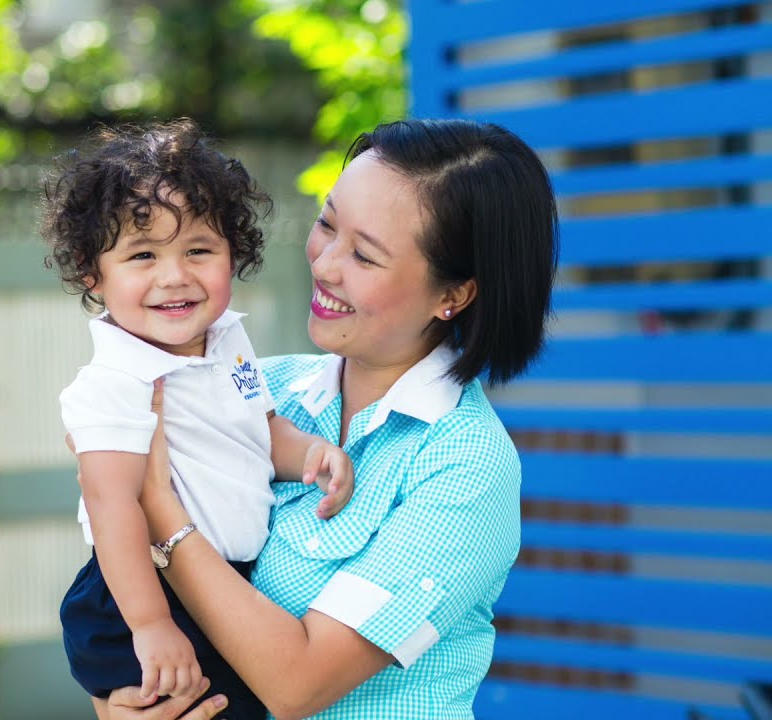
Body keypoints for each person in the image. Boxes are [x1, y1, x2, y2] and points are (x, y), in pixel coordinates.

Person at [103, 118, 559, 719]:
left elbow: (299, 685)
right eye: (326, 224)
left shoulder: (465, 465)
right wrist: (117, 706)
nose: (324, 264)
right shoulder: (266, 390)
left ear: (455, 294)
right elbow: (110, 573)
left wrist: (159, 506)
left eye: (365, 256)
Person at [42, 120, 355, 720]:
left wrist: (311, 454)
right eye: (142, 255)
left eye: (198, 250)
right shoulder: (113, 385)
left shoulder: (228, 342)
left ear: (232, 252)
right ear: (92, 271)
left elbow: (260, 429)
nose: (174, 276)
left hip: (222, 583)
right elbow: (113, 509)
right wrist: (152, 624)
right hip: (140, 597)